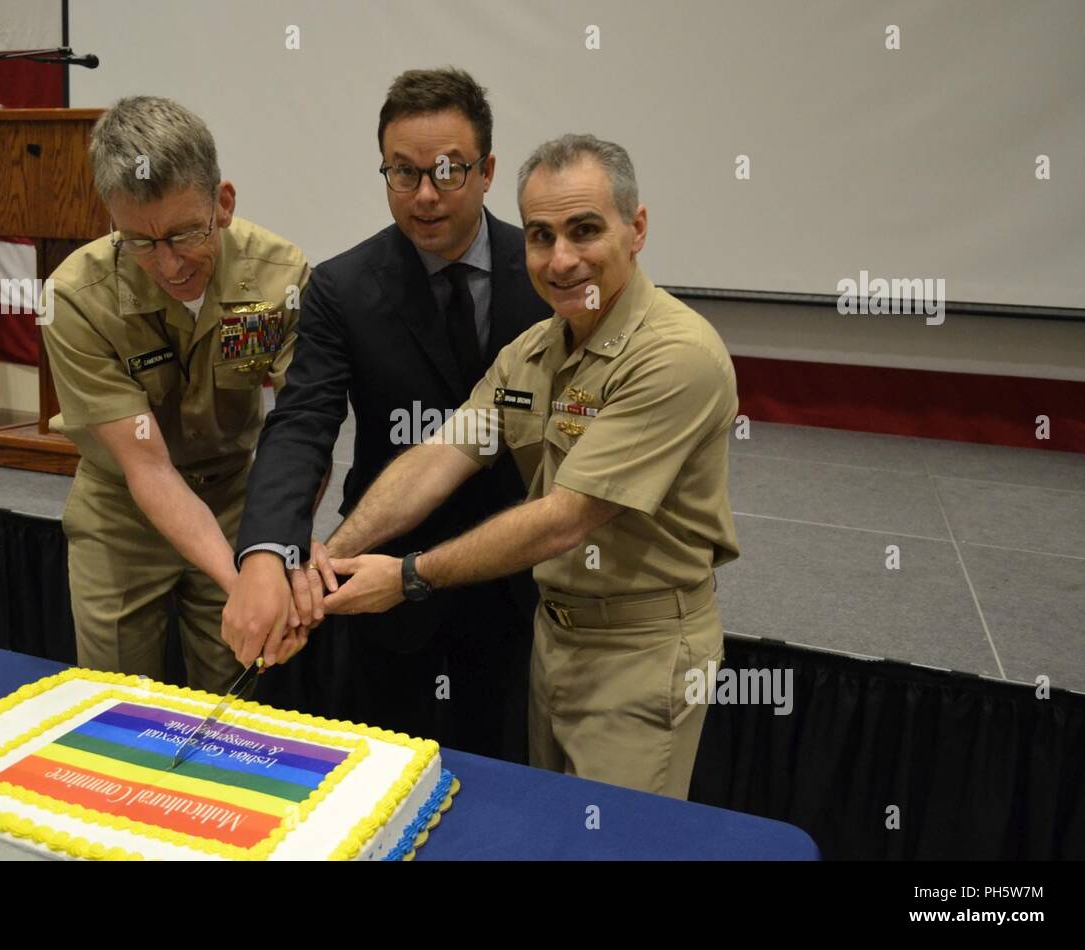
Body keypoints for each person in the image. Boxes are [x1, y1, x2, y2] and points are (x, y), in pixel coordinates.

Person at [318, 134, 740, 799]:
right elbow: (441, 455)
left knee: (612, 849)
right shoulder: (533, 351)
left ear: (637, 229)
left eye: (584, 231)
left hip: (643, 652)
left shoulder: (675, 355)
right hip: (554, 636)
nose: (561, 259)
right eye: (541, 236)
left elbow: (563, 521)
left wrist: (408, 576)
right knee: (556, 834)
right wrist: (331, 557)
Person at [224, 68, 547, 762]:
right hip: (384, 589)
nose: (425, 195)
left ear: (487, 170)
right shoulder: (343, 287)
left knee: (507, 785)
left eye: (447, 171)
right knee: (380, 782)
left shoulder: (546, 272)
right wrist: (268, 550)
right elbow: (303, 422)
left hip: (522, 583)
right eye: (403, 173)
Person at [41, 96, 310, 692]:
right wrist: (241, 580)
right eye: (139, 241)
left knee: (234, 695)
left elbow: (302, 428)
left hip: (238, 499)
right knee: (115, 702)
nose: (168, 263)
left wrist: (274, 550)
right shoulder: (76, 297)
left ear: (224, 203)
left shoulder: (280, 277)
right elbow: (148, 467)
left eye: (185, 233)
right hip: (123, 514)